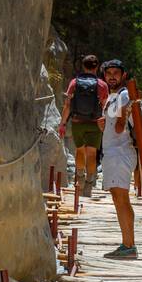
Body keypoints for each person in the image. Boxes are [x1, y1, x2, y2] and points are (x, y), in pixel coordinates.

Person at [100, 60, 139, 260]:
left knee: (122, 199)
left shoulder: (123, 95)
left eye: (116, 73)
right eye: (109, 73)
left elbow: (119, 126)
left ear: (123, 75)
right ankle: (127, 243)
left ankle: (129, 244)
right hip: (114, 153)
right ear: (104, 76)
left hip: (120, 153)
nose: (112, 76)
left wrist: (119, 119)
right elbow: (113, 126)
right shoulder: (113, 97)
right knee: (118, 199)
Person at [59, 55, 108, 196]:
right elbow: (105, 107)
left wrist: (62, 124)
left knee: (80, 151)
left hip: (77, 122)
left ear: (83, 66)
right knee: (92, 154)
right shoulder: (102, 85)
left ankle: (79, 180)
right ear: (97, 67)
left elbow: (67, 105)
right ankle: (88, 185)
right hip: (95, 123)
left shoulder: (74, 83)